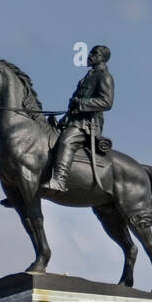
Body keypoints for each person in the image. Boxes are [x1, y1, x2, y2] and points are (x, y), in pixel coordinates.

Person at [46, 45, 114, 193]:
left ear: (103, 58)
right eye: (90, 53)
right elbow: (75, 106)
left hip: (88, 124)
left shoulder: (104, 76)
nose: (90, 55)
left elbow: (107, 102)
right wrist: (62, 121)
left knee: (66, 142)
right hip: (74, 121)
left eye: (94, 53)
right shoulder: (89, 76)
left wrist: (82, 103)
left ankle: (59, 180)